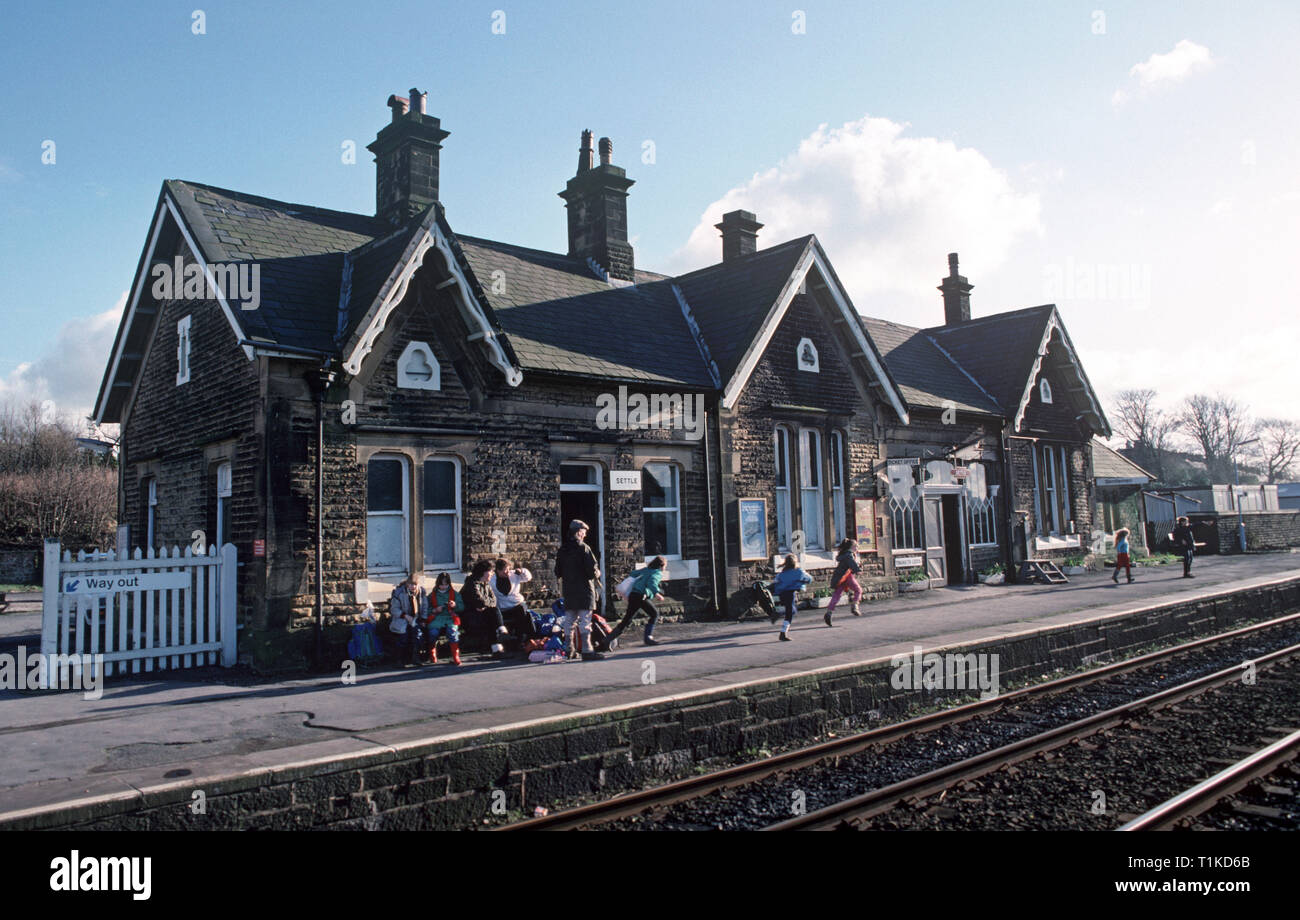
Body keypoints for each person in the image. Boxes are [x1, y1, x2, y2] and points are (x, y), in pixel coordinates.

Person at [555, 519, 604, 661]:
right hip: (584, 590)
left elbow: (557, 571)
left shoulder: (562, 549)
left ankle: (569, 649)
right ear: (578, 532)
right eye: (583, 532)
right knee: (585, 621)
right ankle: (587, 650)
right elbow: (591, 571)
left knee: (569, 621)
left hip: (569, 589)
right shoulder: (584, 548)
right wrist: (597, 573)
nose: (584, 535)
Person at [610, 555, 667, 646]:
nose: (664, 568)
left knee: (627, 619)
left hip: (633, 595)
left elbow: (633, 573)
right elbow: (651, 583)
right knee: (654, 614)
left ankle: (608, 639)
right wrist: (657, 594)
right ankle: (648, 638)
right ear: (661, 566)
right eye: (665, 566)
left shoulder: (645, 570)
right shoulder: (657, 573)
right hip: (641, 596)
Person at [462, 559, 510, 654]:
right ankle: (499, 634)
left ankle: (497, 647)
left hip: (482, 613)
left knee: (492, 612)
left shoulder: (486, 584)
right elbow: (480, 602)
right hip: (470, 616)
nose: (492, 573)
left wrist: (485, 604)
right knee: (491, 616)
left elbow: (494, 600)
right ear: (483, 572)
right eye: (491, 571)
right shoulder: (471, 584)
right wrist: (485, 604)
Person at [491, 557, 536, 645]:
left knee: (523, 611)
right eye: (504, 571)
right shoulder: (492, 579)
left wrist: (522, 571)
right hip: (503, 606)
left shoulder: (514, 574)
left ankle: (522, 637)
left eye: (508, 570)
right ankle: (505, 636)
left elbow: (528, 577)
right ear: (498, 570)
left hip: (517, 603)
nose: (507, 572)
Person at [389, 572, 429, 667]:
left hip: (415, 619)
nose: (413, 587)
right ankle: (400, 660)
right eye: (411, 584)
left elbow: (424, 607)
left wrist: (423, 619)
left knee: (418, 635)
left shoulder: (421, 592)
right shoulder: (399, 593)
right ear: (407, 584)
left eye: (415, 584)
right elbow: (394, 609)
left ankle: (415, 658)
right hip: (401, 619)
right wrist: (405, 616)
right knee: (403, 636)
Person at [769, 554, 812, 641]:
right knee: (790, 612)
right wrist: (801, 582)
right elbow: (809, 579)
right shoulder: (798, 572)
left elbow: (776, 582)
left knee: (791, 611)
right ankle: (783, 632)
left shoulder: (782, 573)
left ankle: (780, 623)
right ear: (795, 563)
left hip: (782, 594)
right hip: (790, 593)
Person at [425, 571, 462, 666]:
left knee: (453, 632)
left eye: (446, 584)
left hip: (450, 617)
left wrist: (455, 605)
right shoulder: (432, 595)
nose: (443, 587)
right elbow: (426, 609)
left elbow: (462, 607)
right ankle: (432, 653)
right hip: (436, 618)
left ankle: (455, 656)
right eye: (441, 585)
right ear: (438, 584)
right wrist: (434, 610)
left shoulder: (454, 594)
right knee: (433, 633)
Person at [825, 538, 862, 626]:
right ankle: (855, 606)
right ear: (852, 547)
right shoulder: (849, 555)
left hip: (839, 578)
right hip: (847, 576)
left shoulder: (845, 554)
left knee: (837, 595)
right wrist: (858, 570)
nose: (857, 548)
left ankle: (829, 612)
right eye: (856, 546)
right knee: (858, 590)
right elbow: (852, 564)